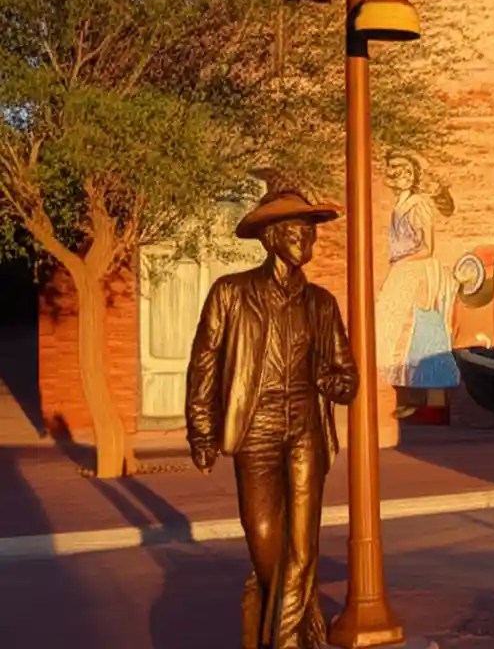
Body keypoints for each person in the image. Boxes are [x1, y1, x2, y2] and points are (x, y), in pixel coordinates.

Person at [184, 189, 358, 649]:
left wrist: (328, 380)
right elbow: (204, 364)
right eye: (296, 230)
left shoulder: (321, 304)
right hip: (254, 431)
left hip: (305, 433)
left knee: (303, 550)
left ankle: (283, 642)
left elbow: (349, 381)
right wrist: (201, 431)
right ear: (271, 237)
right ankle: (302, 624)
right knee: (265, 546)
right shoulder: (231, 293)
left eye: (310, 231)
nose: (306, 239)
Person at [374, 150, 460, 412]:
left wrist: (399, 259)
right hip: (403, 271)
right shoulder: (400, 205)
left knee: (417, 332)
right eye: (392, 169)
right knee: (394, 333)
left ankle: (423, 398)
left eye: (402, 170)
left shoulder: (418, 205)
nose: (395, 175)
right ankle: (410, 394)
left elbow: (427, 247)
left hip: (418, 272)